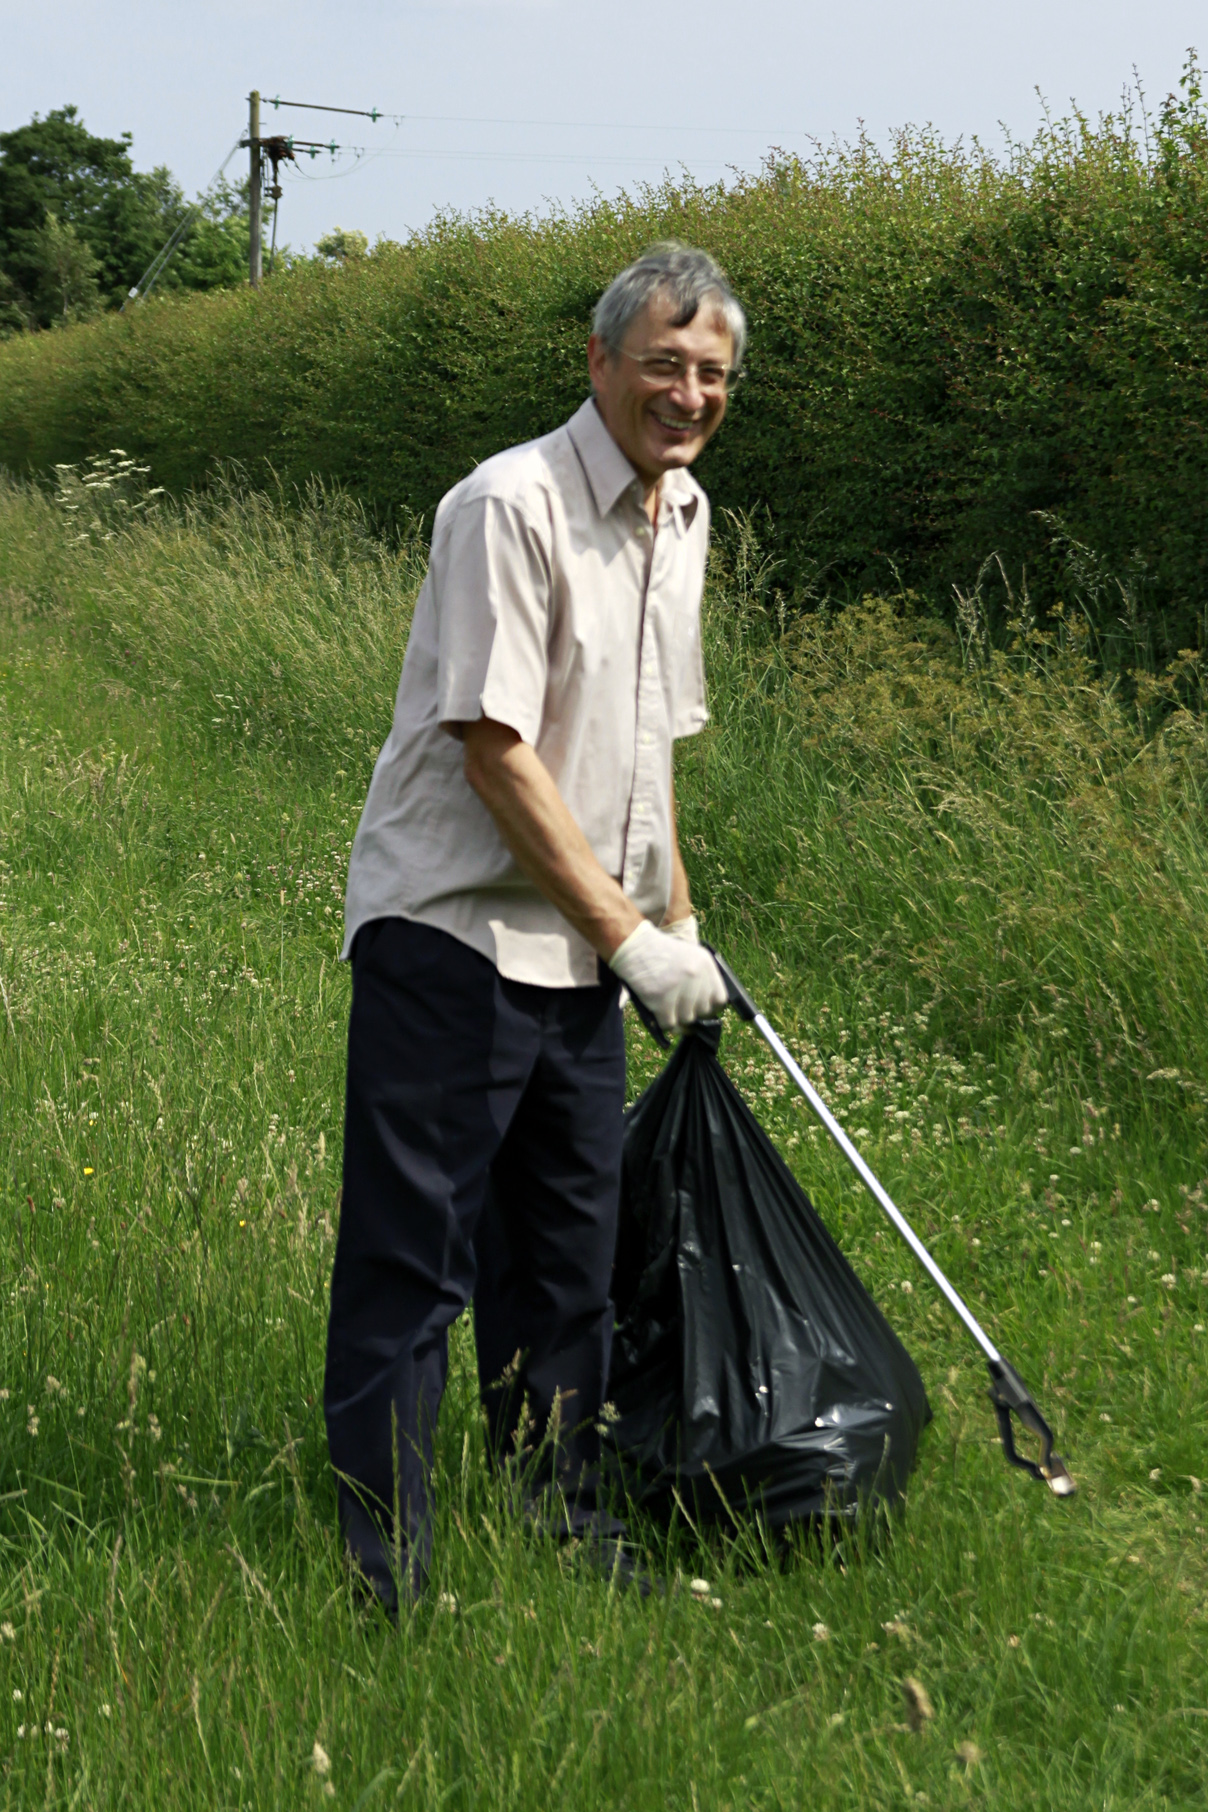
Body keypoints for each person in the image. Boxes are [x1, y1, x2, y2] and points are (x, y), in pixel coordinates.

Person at [324, 240, 746, 1611]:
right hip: (451, 940)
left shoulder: (683, 517)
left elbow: (646, 747)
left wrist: (677, 925)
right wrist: (631, 936)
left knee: (566, 1267)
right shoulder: (508, 506)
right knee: (414, 1268)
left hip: (586, 947)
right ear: (600, 363)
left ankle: (561, 1523)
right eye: (665, 365)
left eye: (713, 373)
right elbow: (497, 749)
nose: (687, 395)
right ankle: (383, 1570)